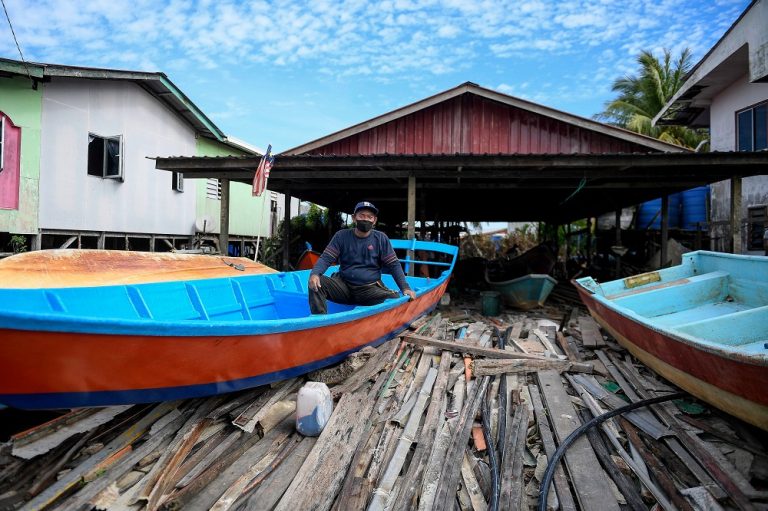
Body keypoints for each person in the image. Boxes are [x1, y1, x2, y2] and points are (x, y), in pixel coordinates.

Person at [308, 201, 416, 314]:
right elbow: (326, 258)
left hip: (369, 290)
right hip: (343, 286)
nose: (366, 219)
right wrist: (315, 273)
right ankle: (321, 321)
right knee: (316, 282)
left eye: (370, 217)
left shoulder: (380, 238)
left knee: (393, 299)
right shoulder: (341, 236)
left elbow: (393, 264)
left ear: (374, 221)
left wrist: (405, 288)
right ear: (354, 218)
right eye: (362, 216)